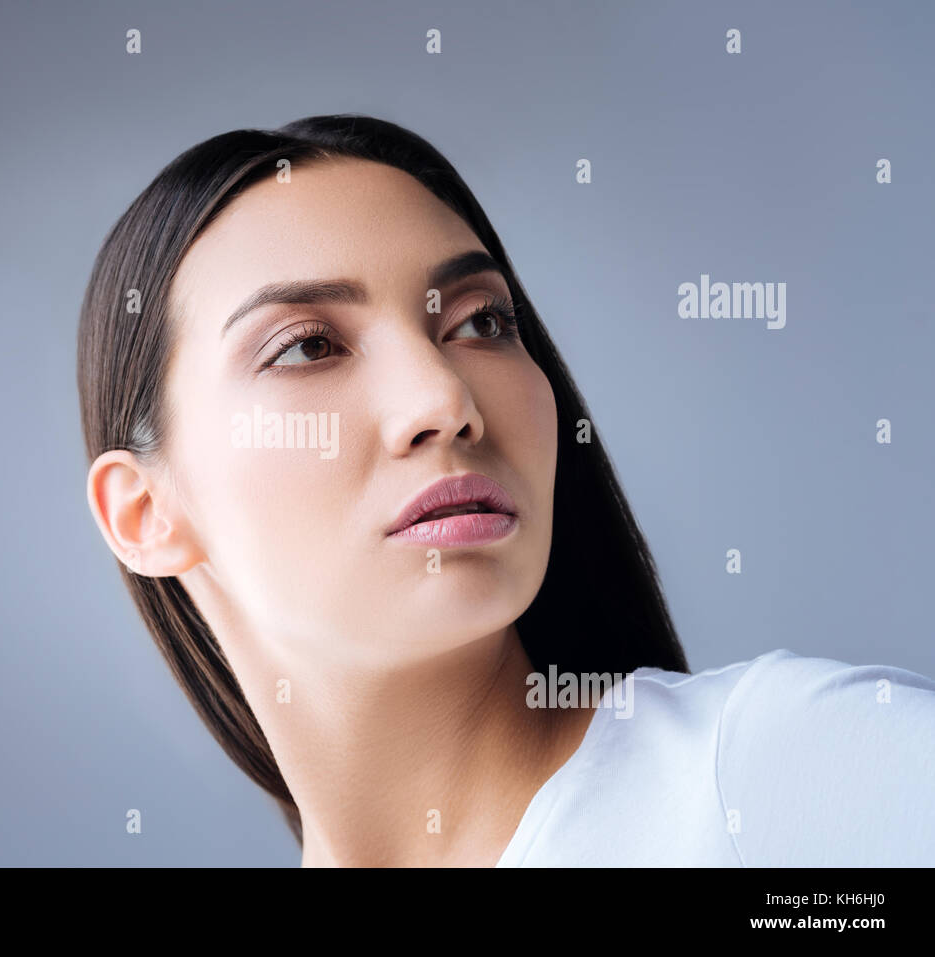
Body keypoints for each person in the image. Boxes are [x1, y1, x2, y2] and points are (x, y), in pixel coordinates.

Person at [75, 114, 935, 866]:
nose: (444, 401)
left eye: (481, 322)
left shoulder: (779, 780)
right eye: (307, 346)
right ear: (144, 514)